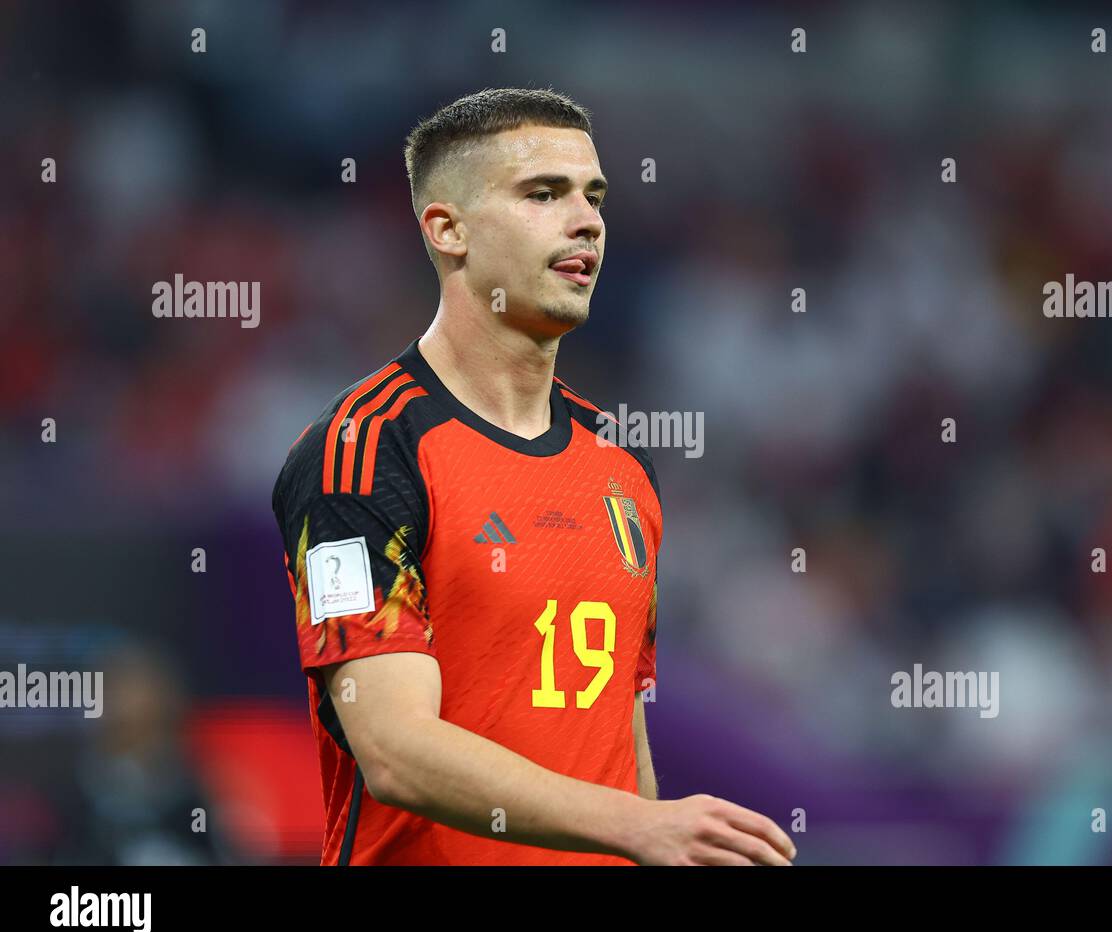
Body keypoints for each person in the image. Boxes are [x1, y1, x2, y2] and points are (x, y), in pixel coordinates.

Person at [271, 87, 796, 865]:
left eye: (594, 196)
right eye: (543, 194)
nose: (586, 220)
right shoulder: (365, 450)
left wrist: (653, 834)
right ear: (448, 230)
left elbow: (623, 739)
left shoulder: (621, 464)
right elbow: (393, 749)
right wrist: (635, 826)